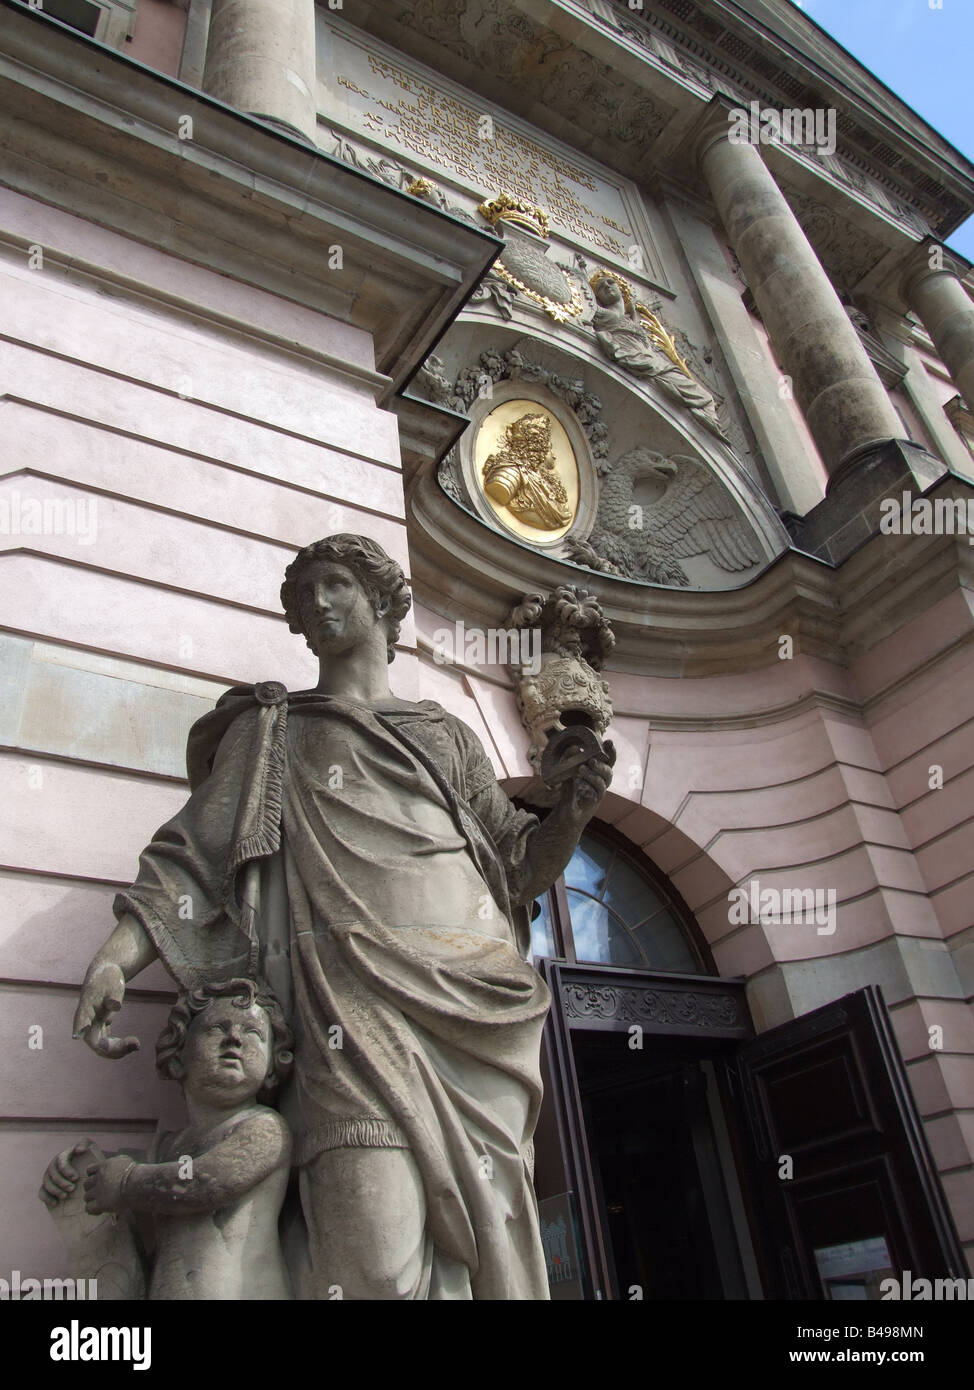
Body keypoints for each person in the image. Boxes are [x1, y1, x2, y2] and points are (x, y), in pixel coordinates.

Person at [73, 534, 613, 1299]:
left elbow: (520, 868)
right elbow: (192, 856)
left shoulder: (445, 734)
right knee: (373, 1263)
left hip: (474, 1007)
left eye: (335, 586)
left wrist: (574, 808)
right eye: (304, 598)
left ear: (384, 602)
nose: (318, 605)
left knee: (487, 1237)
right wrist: (115, 959)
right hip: (345, 1004)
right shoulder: (273, 728)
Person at [43, 977, 293, 1300]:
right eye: (216, 1028)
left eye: (252, 1032)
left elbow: (203, 1183)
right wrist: (74, 1171)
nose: (234, 1038)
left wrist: (125, 1183)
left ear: (273, 1065)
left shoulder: (263, 1128)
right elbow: (119, 1178)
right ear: (177, 1056)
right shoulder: (167, 1148)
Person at [591, 276, 725, 438]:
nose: (606, 286)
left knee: (705, 397)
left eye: (610, 282)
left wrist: (633, 311)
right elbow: (588, 304)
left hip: (653, 361)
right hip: (642, 360)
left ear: (621, 289)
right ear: (598, 297)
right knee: (703, 397)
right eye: (600, 287)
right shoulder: (607, 315)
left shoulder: (627, 318)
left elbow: (634, 325)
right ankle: (707, 423)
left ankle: (707, 423)